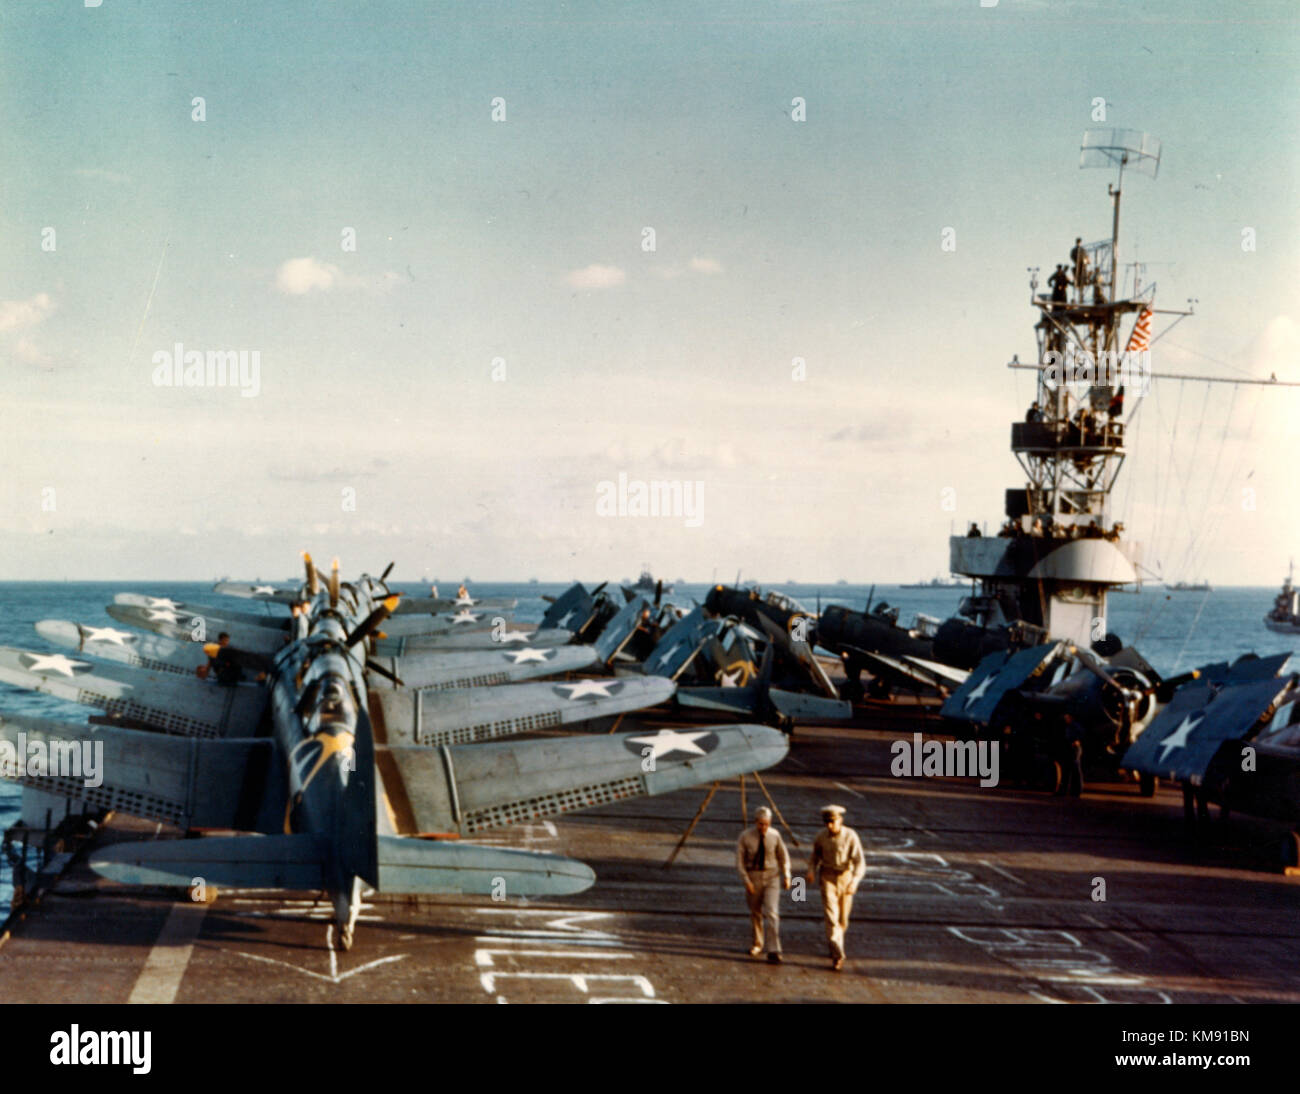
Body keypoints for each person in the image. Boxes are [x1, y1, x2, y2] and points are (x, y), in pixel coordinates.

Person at [805, 804, 866, 971]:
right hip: (827, 877)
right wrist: (811, 871)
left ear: (841, 820)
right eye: (827, 822)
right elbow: (814, 857)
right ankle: (837, 953)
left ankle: (836, 942)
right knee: (831, 917)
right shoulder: (821, 836)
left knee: (843, 920)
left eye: (832, 821)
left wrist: (854, 881)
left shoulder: (851, 836)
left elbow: (859, 862)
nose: (830, 825)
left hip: (845, 878)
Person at [736, 806, 791, 964]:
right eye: (761, 824)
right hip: (753, 876)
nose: (764, 827)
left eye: (767, 824)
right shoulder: (745, 837)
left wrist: (787, 875)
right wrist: (746, 881)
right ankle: (757, 943)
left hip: (772, 876)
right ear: (755, 822)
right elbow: (739, 862)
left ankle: (774, 949)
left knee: (772, 912)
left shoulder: (775, 835)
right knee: (756, 912)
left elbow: (783, 856)